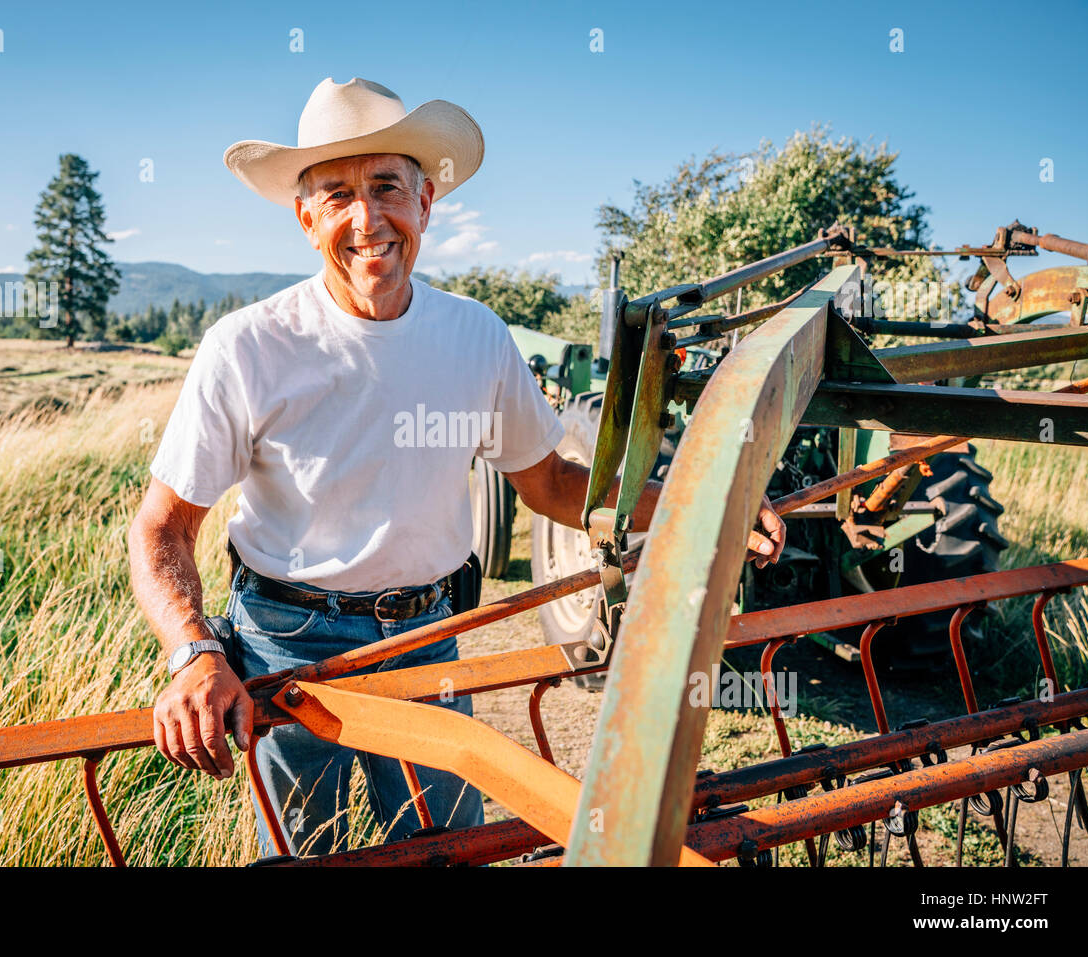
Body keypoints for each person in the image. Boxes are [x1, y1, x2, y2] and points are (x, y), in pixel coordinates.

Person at [127, 76, 787, 858]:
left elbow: (553, 485)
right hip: (288, 645)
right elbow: (162, 528)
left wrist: (708, 500)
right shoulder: (248, 347)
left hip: (431, 635)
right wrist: (196, 654)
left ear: (426, 205)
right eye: (337, 195)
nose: (366, 219)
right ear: (306, 220)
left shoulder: (475, 336)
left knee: (446, 850)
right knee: (308, 853)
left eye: (386, 188)